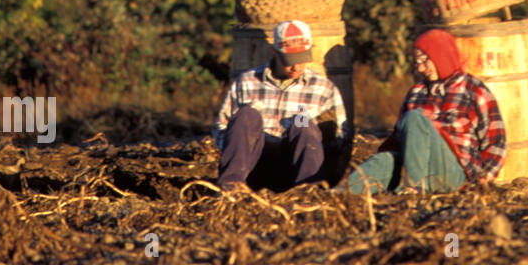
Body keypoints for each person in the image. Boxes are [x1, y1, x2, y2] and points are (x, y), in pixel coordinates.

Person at [344, 28, 506, 195]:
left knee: (415, 118)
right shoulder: (416, 92)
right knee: (383, 160)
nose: (420, 69)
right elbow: (403, 137)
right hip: (418, 165)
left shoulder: (474, 90)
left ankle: (415, 189)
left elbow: (496, 141)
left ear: (441, 56)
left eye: (424, 61)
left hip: (452, 172)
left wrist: (483, 180)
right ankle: (339, 196)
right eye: (417, 63)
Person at [212, 19, 350, 192]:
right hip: (252, 166)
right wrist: (237, 148)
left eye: (301, 59)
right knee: (247, 115)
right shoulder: (248, 81)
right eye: (289, 60)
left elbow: (341, 136)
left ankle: (308, 191)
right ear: (274, 51)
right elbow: (221, 126)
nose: (296, 67)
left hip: (296, 167)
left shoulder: (322, 88)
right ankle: (230, 189)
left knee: (302, 122)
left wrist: (323, 151)